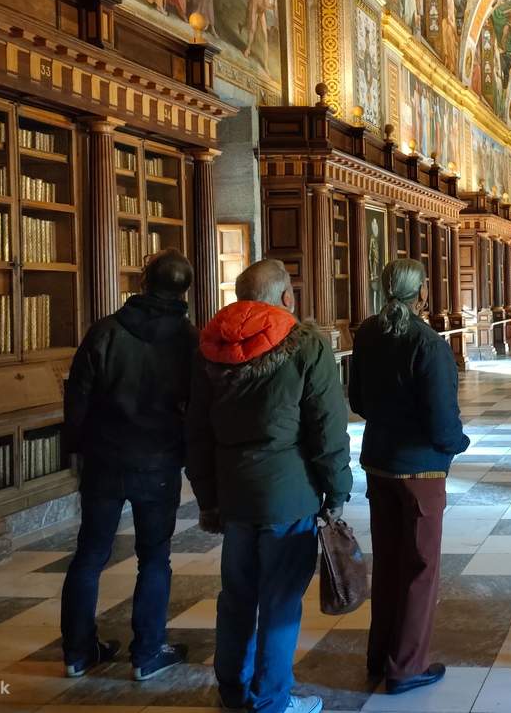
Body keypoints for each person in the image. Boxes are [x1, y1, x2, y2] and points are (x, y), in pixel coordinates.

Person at [187, 260, 351, 713]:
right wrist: (337, 490)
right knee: (280, 602)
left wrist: (207, 498)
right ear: (286, 298)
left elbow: (196, 432)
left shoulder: (210, 346)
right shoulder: (306, 345)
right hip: (287, 495)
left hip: (233, 493)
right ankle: (271, 701)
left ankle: (233, 690)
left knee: (236, 597)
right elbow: (327, 428)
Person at [60, 249, 197, 681]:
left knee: (89, 554)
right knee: (154, 557)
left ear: (143, 282)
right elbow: (197, 405)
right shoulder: (189, 339)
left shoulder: (105, 330)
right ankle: (147, 652)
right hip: (158, 461)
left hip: (104, 458)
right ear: (184, 291)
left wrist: (77, 450)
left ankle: (78, 652)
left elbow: (77, 397)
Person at [349, 259, 469, 695]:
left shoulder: (367, 333)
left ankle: (380, 654)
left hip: (379, 463)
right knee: (420, 566)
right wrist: (458, 443)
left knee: (388, 562)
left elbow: (358, 400)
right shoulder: (428, 344)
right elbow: (442, 420)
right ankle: (407, 666)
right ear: (421, 293)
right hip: (420, 469)